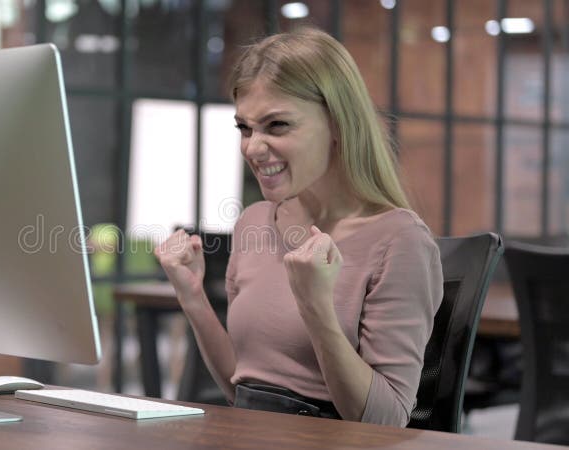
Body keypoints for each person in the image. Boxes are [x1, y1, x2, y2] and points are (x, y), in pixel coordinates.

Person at [154, 27, 443, 427]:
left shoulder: (400, 240)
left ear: (339, 125)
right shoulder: (254, 222)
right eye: (245, 127)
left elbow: (386, 421)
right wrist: (193, 298)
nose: (252, 147)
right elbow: (241, 390)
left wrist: (316, 306)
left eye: (277, 126)